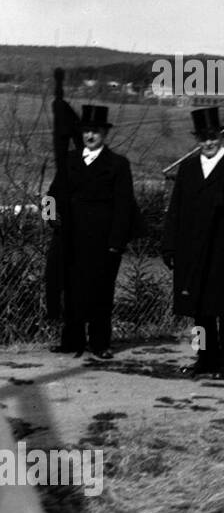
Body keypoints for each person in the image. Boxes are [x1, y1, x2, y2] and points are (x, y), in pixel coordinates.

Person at [46, 103, 140, 359]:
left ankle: (100, 343)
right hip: (71, 238)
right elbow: (53, 194)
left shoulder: (118, 164)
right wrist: (50, 217)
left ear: (104, 134)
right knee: (72, 290)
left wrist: (116, 243)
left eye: (96, 131)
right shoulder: (70, 160)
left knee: (101, 292)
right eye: (87, 130)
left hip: (102, 240)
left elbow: (124, 207)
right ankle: (71, 341)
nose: (90, 136)